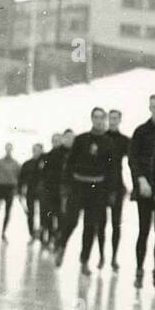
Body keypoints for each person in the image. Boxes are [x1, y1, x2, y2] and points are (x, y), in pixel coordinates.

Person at [59, 109, 115, 274]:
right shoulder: (81, 139)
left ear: (104, 120)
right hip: (78, 185)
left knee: (90, 226)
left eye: (101, 118)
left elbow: (112, 169)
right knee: (71, 220)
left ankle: (84, 261)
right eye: (96, 117)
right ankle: (62, 245)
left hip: (97, 188)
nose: (98, 121)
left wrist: (111, 191)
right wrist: (65, 185)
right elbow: (70, 163)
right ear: (91, 119)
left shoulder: (108, 142)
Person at [128, 94, 155, 291]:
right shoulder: (141, 131)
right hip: (145, 188)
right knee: (144, 230)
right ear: (150, 108)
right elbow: (132, 159)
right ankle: (139, 270)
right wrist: (140, 180)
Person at [103, 109, 129, 270]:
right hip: (101, 184)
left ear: (119, 120)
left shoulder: (125, 140)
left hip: (117, 185)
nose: (113, 121)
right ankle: (100, 255)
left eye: (116, 118)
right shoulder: (101, 138)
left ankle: (113, 257)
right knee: (100, 223)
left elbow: (133, 161)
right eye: (110, 118)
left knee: (116, 223)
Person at [40, 132, 68, 248]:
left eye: (58, 140)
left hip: (61, 189)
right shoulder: (46, 156)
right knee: (49, 214)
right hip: (49, 189)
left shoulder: (66, 155)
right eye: (54, 140)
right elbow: (42, 172)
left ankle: (57, 236)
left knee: (61, 215)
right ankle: (51, 235)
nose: (56, 142)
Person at [0, 143, 21, 240]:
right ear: (5, 149)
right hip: (0, 187)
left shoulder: (16, 164)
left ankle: (3, 233)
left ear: (12, 150)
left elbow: (19, 177)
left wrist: (17, 189)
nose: (8, 151)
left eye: (10, 149)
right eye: (7, 149)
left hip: (10, 188)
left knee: (7, 212)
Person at [18, 143, 45, 241]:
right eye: (35, 150)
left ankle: (42, 234)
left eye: (39, 150)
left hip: (42, 191)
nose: (37, 152)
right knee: (31, 213)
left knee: (43, 213)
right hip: (30, 191)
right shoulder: (27, 164)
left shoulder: (45, 163)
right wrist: (20, 192)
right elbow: (21, 179)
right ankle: (32, 233)